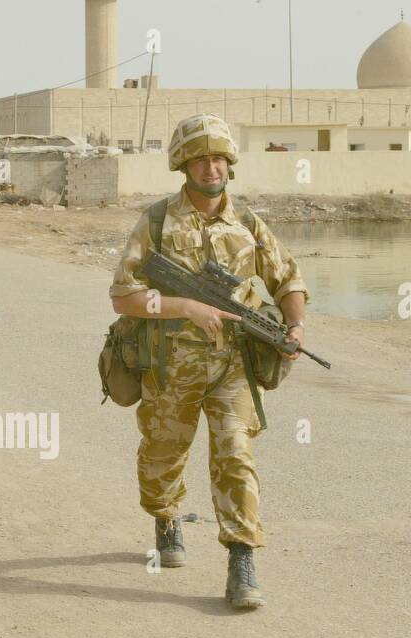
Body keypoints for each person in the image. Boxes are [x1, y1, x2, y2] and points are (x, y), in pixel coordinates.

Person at [109, 115, 310, 609]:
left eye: (218, 158)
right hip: (168, 366)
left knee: (234, 452)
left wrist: (296, 327)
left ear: (229, 165)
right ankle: (166, 516)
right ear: (184, 166)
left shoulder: (248, 225)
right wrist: (186, 307)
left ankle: (242, 555)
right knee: (162, 456)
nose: (211, 167)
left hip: (231, 366)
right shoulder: (157, 221)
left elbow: (288, 279)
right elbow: (124, 296)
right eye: (200, 159)